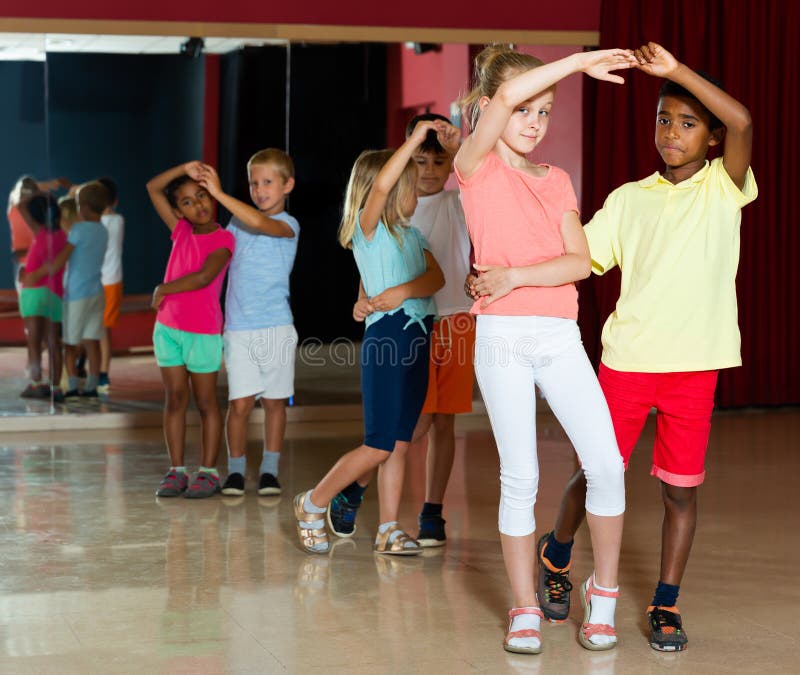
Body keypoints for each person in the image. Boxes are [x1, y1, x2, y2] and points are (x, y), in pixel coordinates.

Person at [533, 42, 757, 653]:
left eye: (687, 123)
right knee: (596, 472)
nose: (671, 133)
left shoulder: (723, 187)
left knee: (680, 492)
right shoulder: (629, 199)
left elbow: (742, 120)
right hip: (627, 365)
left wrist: (676, 72)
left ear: (710, 139)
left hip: (694, 370)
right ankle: (555, 557)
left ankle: (665, 602)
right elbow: (579, 257)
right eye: (663, 118)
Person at [457, 44, 635, 654]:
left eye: (545, 112)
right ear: (490, 110)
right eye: (523, 109)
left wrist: (513, 276)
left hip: (559, 335)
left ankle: (603, 597)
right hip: (503, 338)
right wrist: (578, 65)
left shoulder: (556, 180)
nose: (533, 121)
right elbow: (504, 94)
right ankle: (524, 607)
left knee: (607, 466)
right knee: (521, 475)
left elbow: (579, 262)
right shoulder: (474, 167)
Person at [293, 121, 445, 556]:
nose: (418, 194)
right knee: (378, 444)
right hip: (388, 341)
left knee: (398, 442)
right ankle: (313, 501)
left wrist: (400, 290)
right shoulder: (369, 228)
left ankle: (388, 528)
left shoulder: (413, 236)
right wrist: (414, 140)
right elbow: (378, 188)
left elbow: (436, 276)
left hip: (418, 337)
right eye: (411, 186)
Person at [328, 114, 473, 549]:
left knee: (440, 421)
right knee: (409, 425)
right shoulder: (389, 208)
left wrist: (457, 143)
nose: (428, 171)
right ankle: (358, 483)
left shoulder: (454, 202)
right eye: (420, 162)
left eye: (438, 162)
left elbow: (475, 172)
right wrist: (366, 296)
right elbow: (373, 259)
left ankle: (431, 510)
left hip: (454, 319)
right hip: (405, 329)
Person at [193, 150, 298, 498]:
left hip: (277, 328)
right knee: (239, 404)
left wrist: (221, 195)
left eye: (268, 182)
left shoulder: (289, 225)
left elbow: (258, 222)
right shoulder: (235, 225)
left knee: (274, 404)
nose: (259, 189)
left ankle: (270, 470)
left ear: (288, 186)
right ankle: (235, 471)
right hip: (239, 328)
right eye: (254, 183)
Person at [146, 162, 235, 499]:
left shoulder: (224, 238)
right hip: (168, 329)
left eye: (201, 196)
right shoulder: (180, 230)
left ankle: (209, 472)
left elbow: (202, 278)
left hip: (203, 332)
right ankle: (176, 471)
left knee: (206, 402)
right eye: (186, 201)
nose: (197, 205)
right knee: (175, 401)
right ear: (179, 209)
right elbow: (154, 188)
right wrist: (183, 168)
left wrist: (163, 288)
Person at [28, 181, 109, 399]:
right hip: (96, 293)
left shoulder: (79, 230)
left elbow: (61, 260)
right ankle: (92, 386)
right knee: (92, 340)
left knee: (70, 343)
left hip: (76, 295)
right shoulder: (103, 231)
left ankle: (72, 385)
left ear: (84, 208)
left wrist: (37, 274)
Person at [16, 193, 67, 402]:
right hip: (54, 294)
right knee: (54, 342)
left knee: (34, 342)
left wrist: (38, 192)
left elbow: (20, 205)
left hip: (33, 293)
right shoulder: (63, 236)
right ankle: (55, 387)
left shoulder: (40, 232)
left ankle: (37, 383)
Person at [97, 176, 125, 395]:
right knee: (102, 331)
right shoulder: (118, 220)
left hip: (102, 283)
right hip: (110, 282)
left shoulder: (96, 223)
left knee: (99, 331)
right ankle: (102, 374)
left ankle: (100, 373)